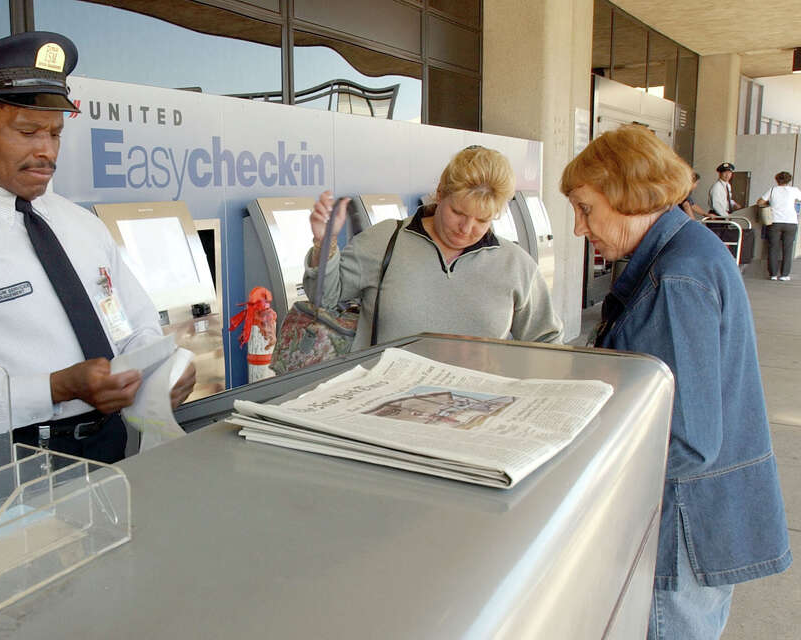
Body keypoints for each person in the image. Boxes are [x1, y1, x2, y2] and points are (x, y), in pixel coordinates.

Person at [0, 32, 195, 463]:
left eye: (55, 133)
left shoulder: (81, 226)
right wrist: (56, 387)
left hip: (114, 442)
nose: (46, 151)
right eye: (28, 131)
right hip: (16, 459)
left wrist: (170, 367)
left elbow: (132, 327)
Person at [561, 125, 791, 640]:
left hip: (680, 532)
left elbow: (685, 440)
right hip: (698, 524)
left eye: (585, 208)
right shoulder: (684, 250)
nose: (579, 229)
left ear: (627, 196)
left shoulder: (677, 278)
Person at [302, 145, 563, 350]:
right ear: (440, 194)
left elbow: (546, 340)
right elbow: (322, 298)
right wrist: (325, 244)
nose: (466, 228)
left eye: (482, 220)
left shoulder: (515, 264)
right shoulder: (385, 240)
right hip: (384, 406)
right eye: (458, 212)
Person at [757, 171, 801, 281]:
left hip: (775, 222)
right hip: (791, 222)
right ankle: (785, 275)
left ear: (777, 180)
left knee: (773, 248)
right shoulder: (795, 190)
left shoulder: (772, 190)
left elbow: (760, 202)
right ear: (789, 180)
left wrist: (770, 204)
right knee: (788, 248)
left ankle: (773, 274)